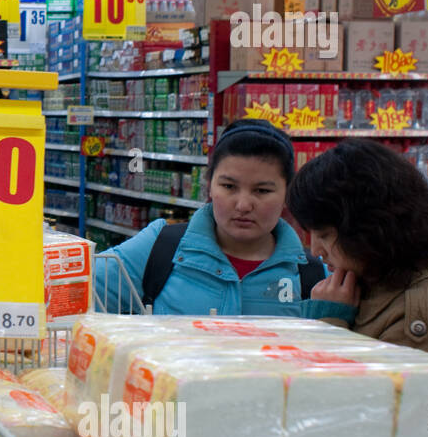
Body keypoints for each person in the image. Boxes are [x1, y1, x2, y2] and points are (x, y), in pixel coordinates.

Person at [93, 119, 353, 321]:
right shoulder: (159, 247)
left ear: (287, 194)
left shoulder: (315, 276)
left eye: (262, 191)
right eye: (229, 186)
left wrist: (331, 316)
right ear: (209, 185)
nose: (242, 205)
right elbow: (75, 293)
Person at [287, 139, 428, 364]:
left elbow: (352, 394)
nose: (317, 250)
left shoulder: (418, 317)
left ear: (370, 228)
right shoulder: (373, 283)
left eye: (325, 235)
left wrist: (328, 321)